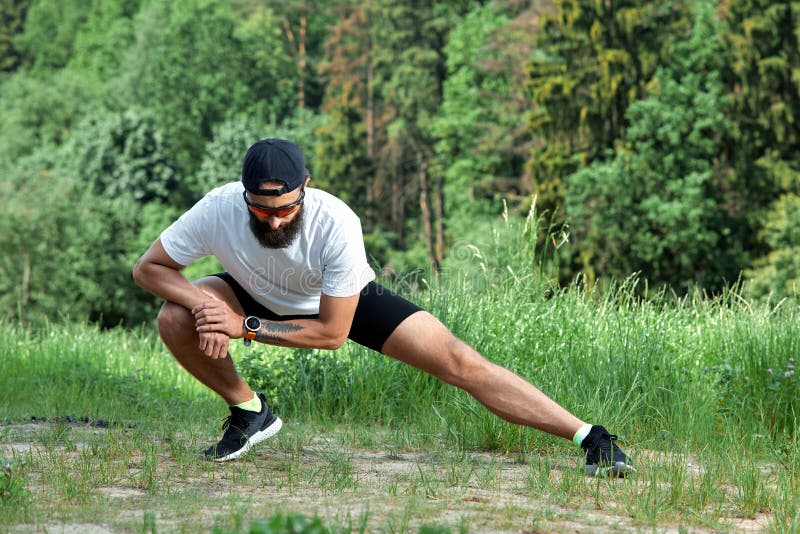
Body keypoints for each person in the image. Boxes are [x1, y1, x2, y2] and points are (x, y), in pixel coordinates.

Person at [133, 138, 634, 477]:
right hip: (246, 289)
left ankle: (591, 438)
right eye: (260, 209)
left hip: (339, 302)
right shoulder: (218, 208)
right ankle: (250, 411)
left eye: (286, 206)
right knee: (176, 313)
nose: (274, 218)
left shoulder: (337, 223)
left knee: (461, 362)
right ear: (243, 197)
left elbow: (331, 334)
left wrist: (241, 326)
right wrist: (208, 308)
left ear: (305, 187)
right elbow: (149, 268)